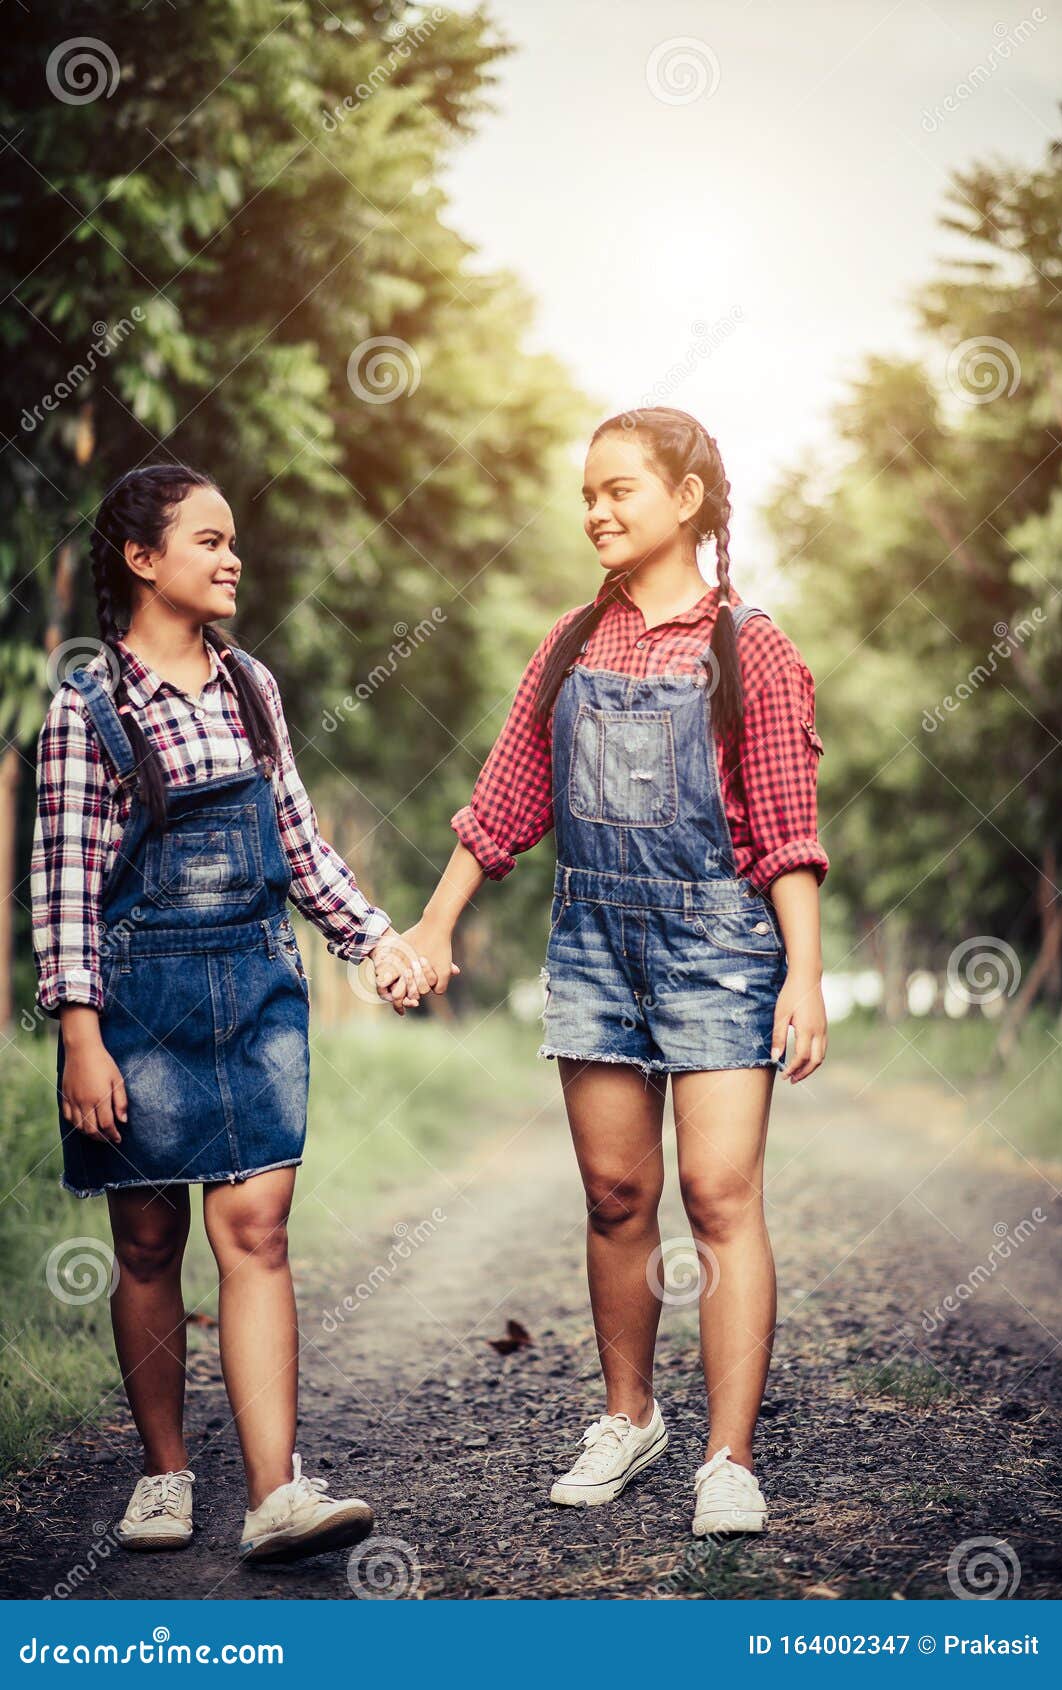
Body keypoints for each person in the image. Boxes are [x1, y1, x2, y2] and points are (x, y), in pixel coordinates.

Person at [400, 407, 829, 1536]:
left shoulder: (752, 648)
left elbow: (787, 832)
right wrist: (437, 925)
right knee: (616, 1195)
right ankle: (629, 1416)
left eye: (619, 490)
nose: (595, 509)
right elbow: (503, 801)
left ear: (687, 500)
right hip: (592, 943)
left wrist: (805, 975)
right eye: (586, 492)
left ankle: (729, 1457)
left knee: (720, 1193)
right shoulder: (570, 645)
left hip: (721, 948)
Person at [30, 463, 419, 1562]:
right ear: (143, 560)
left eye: (233, 540)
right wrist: (81, 1035)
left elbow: (294, 838)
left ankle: (273, 1491)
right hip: (139, 1002)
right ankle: (164, 1474)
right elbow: (61, 884)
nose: (231, 557)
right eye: (209, 540)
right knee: (147, 1242)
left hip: (255, 989)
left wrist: (374, 938)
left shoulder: (251, 685)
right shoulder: (88, 706)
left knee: (255, 1232)